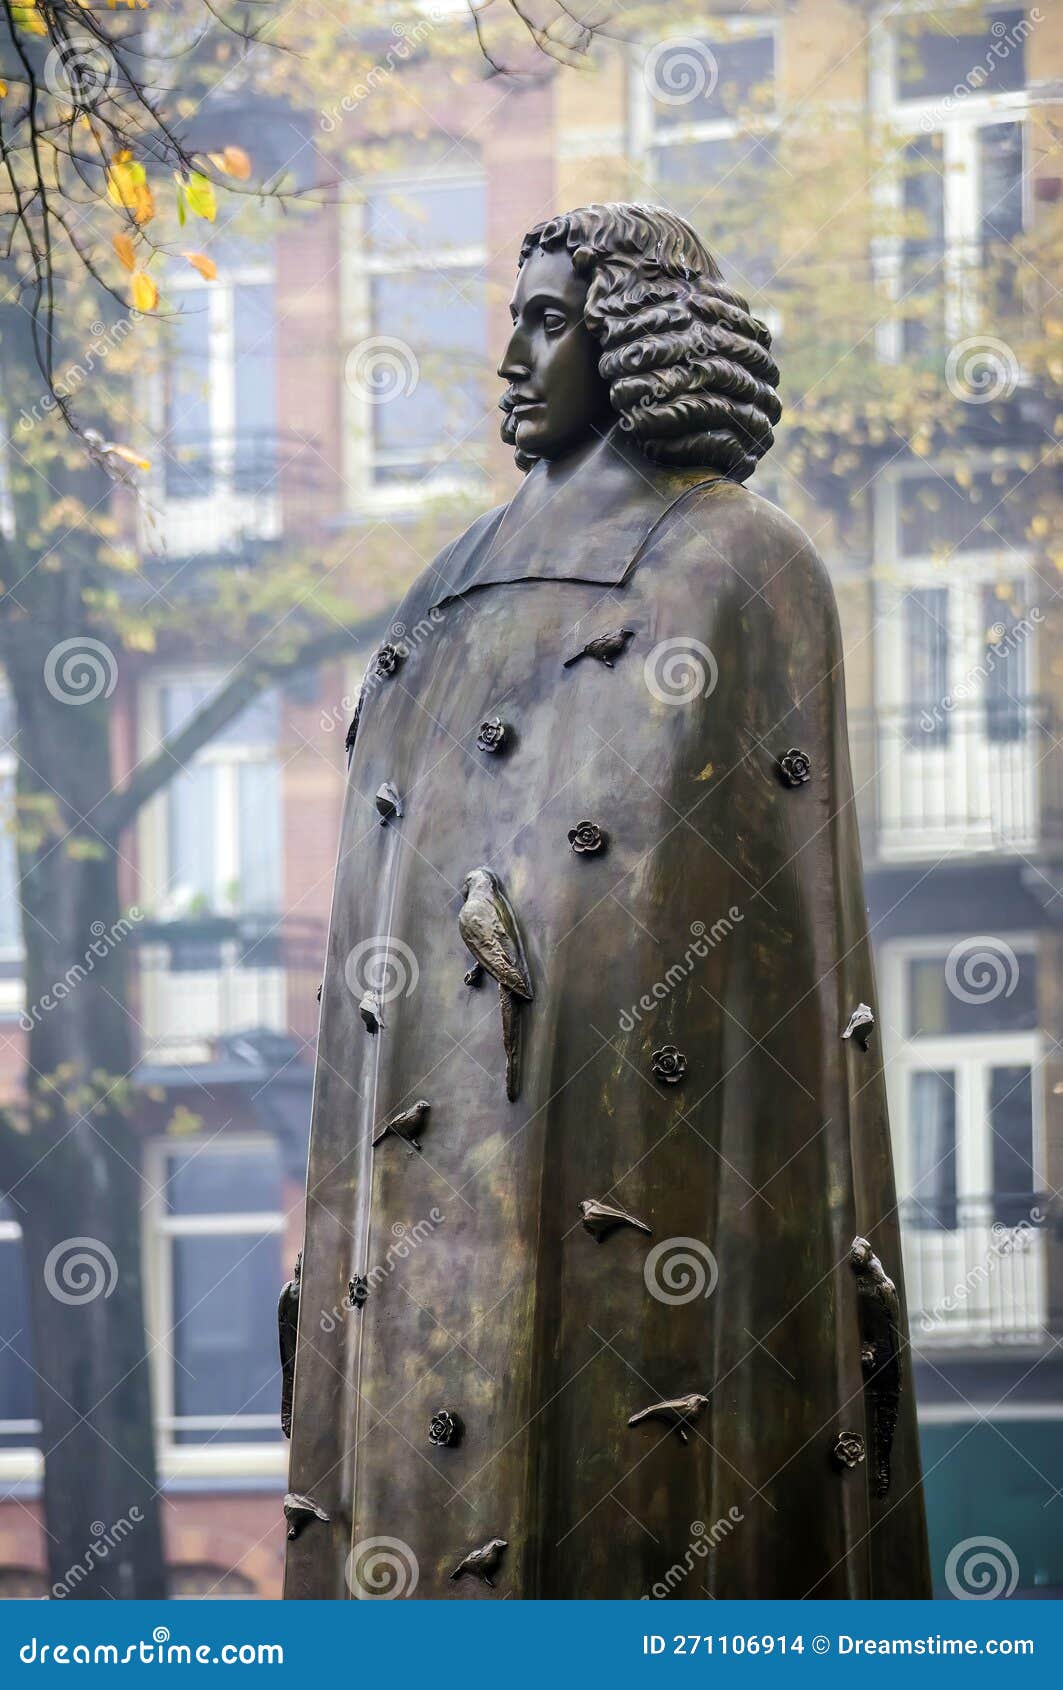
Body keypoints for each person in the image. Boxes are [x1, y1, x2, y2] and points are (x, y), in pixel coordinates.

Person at [284, 203, 931, 1600]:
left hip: (660, 1194)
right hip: (429, 1222)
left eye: (549, 319)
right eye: (513, 317)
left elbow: (785, 957)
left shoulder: (742, 566)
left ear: (632, 339)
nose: (511, 355)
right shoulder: (436, 598)